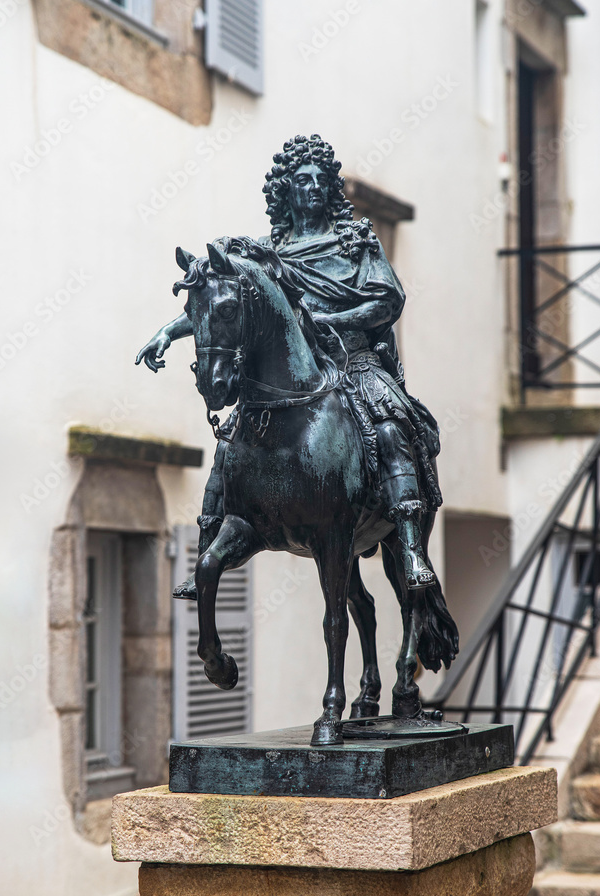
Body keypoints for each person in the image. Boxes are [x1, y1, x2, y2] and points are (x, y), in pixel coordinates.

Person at [136, 134, 442, 595]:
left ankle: (412, 545)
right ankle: (208, 550)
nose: (314, 186)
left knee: (392, 427)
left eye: (322, 179)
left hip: (355, 360)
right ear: (286, 189)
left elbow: (387, 300)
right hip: (296, 373)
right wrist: (167, 331)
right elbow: (221, 305)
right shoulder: (266, 253)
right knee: (229, 442)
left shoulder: (354, 240)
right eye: (302, 179)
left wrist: (328, 318)